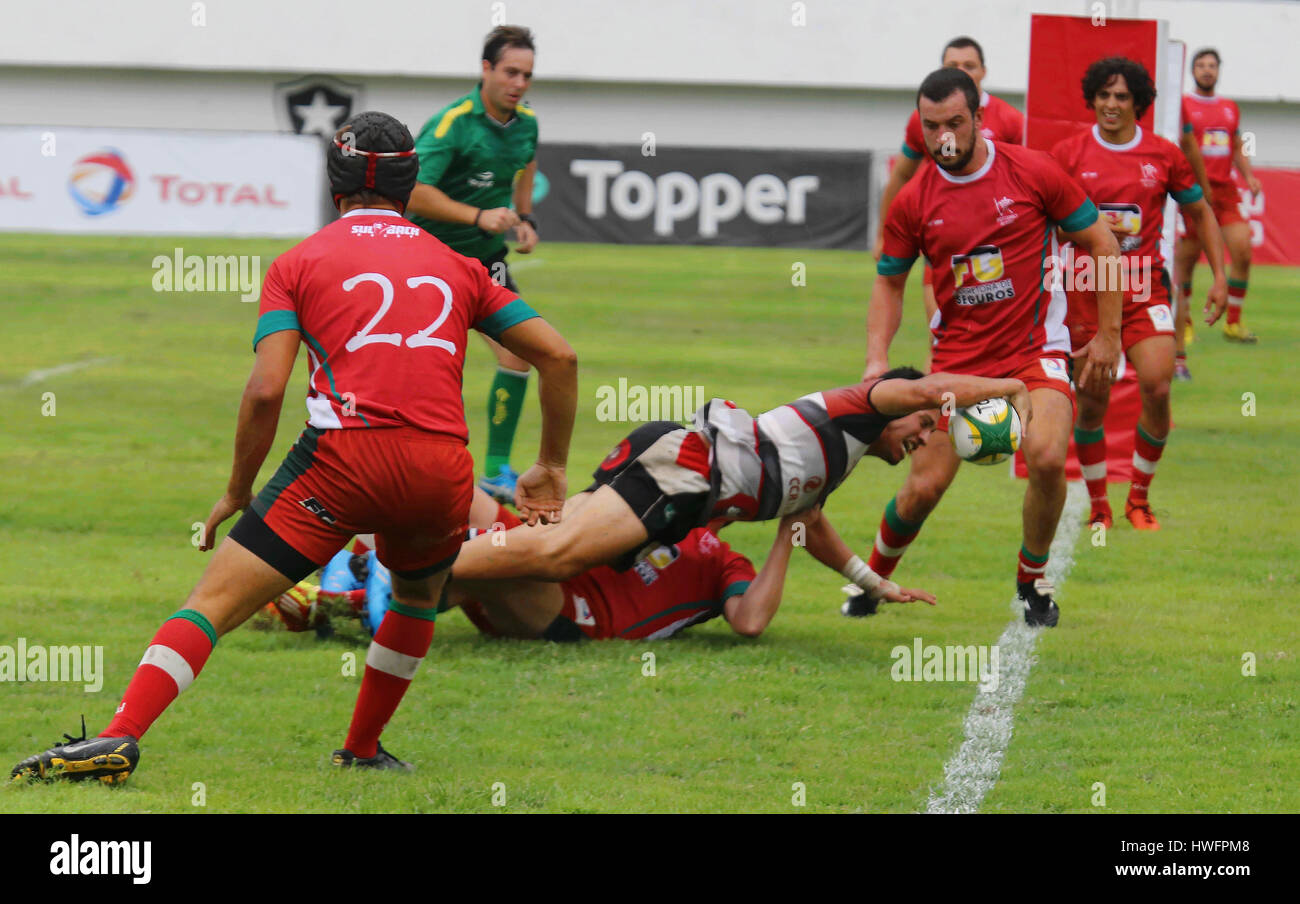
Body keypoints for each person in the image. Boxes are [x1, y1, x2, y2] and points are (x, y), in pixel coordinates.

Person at [10, 111, 577, 784]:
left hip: (342, 460)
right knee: (416, 598)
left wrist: (237, 489)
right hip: (440, 466)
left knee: (212, 604)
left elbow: (263, 391)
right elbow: (559, 357)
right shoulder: (460, 266)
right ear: (409, 186)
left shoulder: (299, 263)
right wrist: (550, 466)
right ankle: (362, 749)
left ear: (334, 190)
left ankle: (119, 735)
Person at [862, 68, 1123, 628]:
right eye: (932, 127)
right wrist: (877, 361)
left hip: (1035, 356)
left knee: (1049, 456)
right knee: (923, 489)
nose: (944, 138)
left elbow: (1102, 241)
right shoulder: (913, 202)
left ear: (980, 118)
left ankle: (1031, 582)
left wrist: (1107, 336)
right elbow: (888, 280)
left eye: (955, 123)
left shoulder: (1032, 172)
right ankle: (871, 582)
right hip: (956, 367)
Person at [445, 367, 1032, 616]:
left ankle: (393, 576)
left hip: (686, 486)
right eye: (924, 425)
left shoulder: (838, 461)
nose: (926, 437)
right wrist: (1012, 386)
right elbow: (931, 389)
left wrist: (878, 585)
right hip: (688, 470)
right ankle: (417, 568)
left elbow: (812, 529)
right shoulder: (863, 404)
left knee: (541, 541)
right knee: (556, 556)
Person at [1050, 58, 1227, 530]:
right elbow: (1045, 223)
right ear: (1092, 98)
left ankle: (1139, 498)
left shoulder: (1163, 155)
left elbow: (1201, 212)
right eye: (1104, 95)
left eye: (1122, 96)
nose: (1111, 104)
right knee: (1091, 402)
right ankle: (1100, 504)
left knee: (1158, 383)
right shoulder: (1067, 155)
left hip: (1144, 287)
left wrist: (1220, 276)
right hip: (1087, 288)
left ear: (1139, 103)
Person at [406, 25, 542, 504]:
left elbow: (526, 164)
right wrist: (479, 215)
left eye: (526, 74)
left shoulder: (526, 123)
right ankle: (414, 467)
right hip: (429, 263)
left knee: (520, 352)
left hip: (486, 262)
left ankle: (494, 471)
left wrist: (523, 217)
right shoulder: (452, 124)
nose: (519, 83)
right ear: (485, 69)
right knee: (427, 369)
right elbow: (415, 191)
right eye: (510, 72)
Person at [874, 36, 1025, 325]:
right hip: (944, 241)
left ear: (984, 71)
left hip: (998, 244)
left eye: (970, 65)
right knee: (943, 337)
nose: (962, 70)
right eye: (953, 65)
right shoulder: (925, 118)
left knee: (997, 336)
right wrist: (882, 234)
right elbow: (902, 175)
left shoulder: (1010, 120)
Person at [1174, 48, 1263, 353]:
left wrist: (1249, 175)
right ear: (1192, 71)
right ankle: (1183, 325)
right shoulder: (1183, 105)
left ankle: (1233, 323)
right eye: (1201, 65)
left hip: (1225, 191)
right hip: (1194, 192)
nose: (1207, 70)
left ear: (1219, 70)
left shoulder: (1229, 108)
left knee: (1243, 252)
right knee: (1185, 262)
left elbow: (1236, 146)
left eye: (1212, 65)